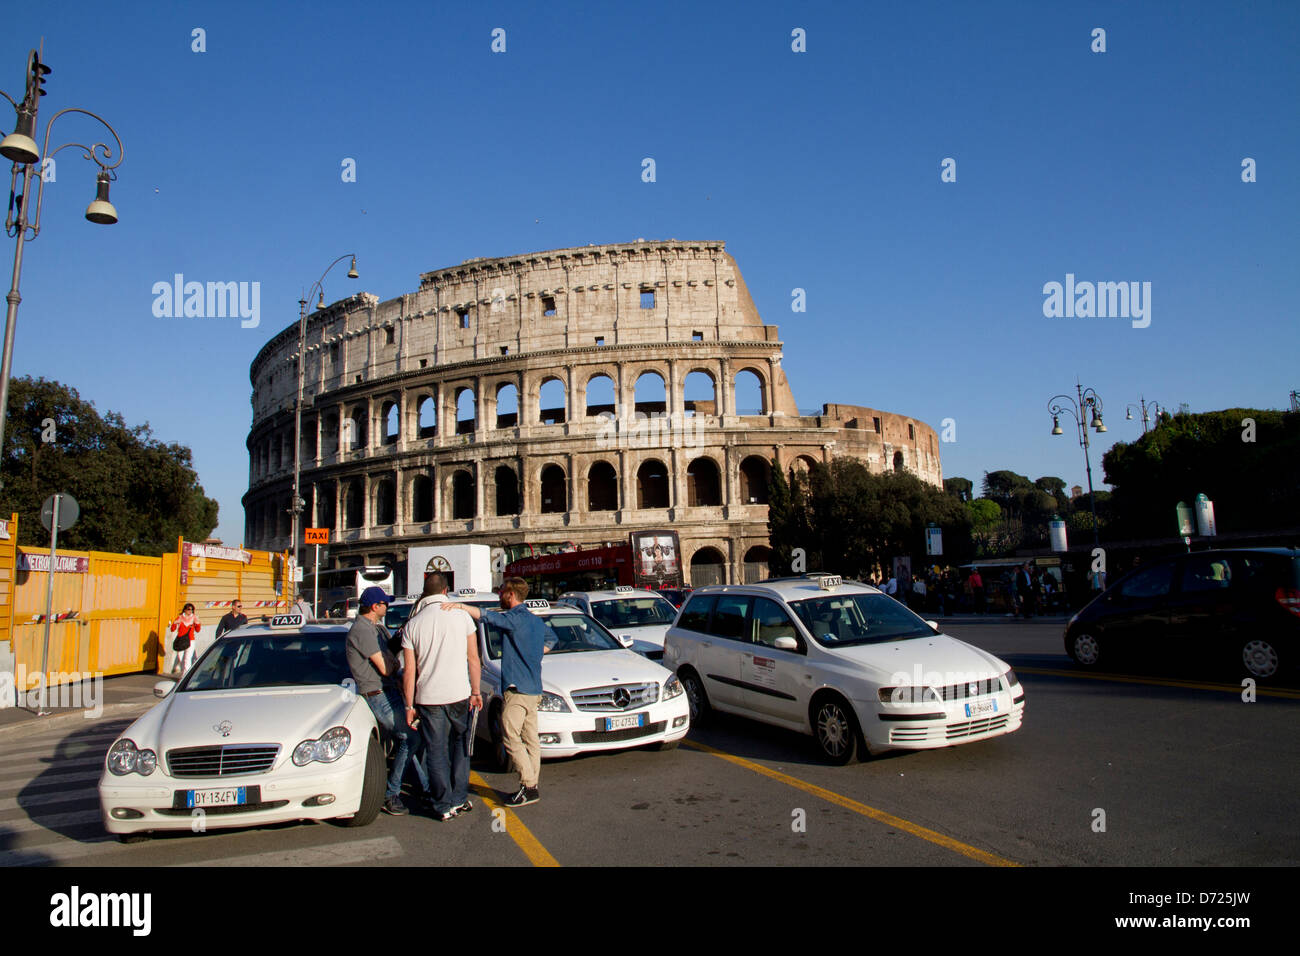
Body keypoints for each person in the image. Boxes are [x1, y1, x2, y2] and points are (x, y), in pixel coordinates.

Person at [443, 576, 546, 807]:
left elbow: (488, 617)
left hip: (517, 689)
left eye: (502, 592)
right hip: (534, 687)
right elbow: (552, 639)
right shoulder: (535, 621)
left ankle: (528, 786)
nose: (500, 596)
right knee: (531, 739)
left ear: (511, 594)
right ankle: (533, 784)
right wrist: (532, 655)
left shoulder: (514, 619)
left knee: (510, 735)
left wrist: (460, 606)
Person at [402, 572, 481, 821]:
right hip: (459, 693)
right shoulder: (462, 617)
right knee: (461, 747)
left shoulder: (413, 624)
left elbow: (410, 671)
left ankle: (442, 804)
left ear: (425, 593)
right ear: (446, 591)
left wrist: (408, 705)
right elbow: (473, 659)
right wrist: (476, 691)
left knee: (436, 752)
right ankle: (458, 798)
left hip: (429, 697)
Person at [346, 586, 429, 816]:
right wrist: (393, 663)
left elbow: (390, 655)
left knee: (411, 739)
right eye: (385, 604)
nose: (387, 607)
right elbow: (385, 667)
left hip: (388, 691)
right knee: (410, 739)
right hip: (378, 694)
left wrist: (396, 645)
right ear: (375, 607)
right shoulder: (362, 631)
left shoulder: (377, 628)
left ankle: (425, 787)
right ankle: (391, 793)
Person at [168, 604, 202, 674]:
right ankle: (183, 673)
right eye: (189, 609)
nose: (190, 611)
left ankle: (185, 675)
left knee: (187, 658)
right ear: (185, 610)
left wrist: (198, 623)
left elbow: (198, 630)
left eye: (192, 610)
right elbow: (172, 629)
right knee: (181, 658)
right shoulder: (180, 618)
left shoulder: (194, 618)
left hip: (190, 640)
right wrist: (174, 623)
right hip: (181, 640)